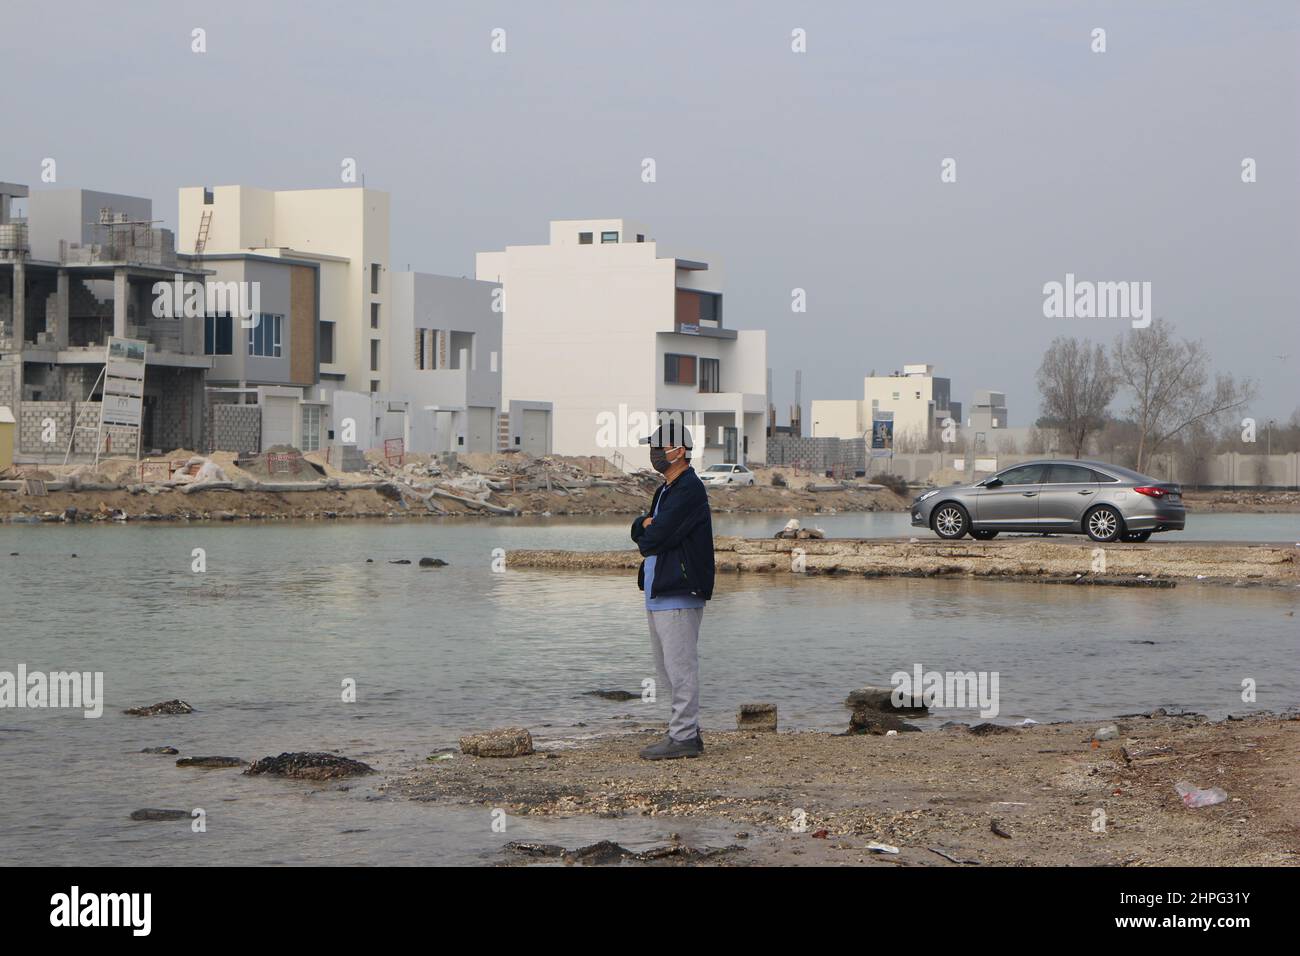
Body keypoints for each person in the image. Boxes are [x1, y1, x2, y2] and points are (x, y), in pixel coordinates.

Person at [630, 420, 715, 760]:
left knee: (680, 668)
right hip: (658, 591)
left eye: (657, 447)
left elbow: (654, 536)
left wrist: (647, 528)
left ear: (679, 451)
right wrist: (644, 525)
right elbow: (642, 527)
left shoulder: (688, 489)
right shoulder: (666, 488)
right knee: (666, 669)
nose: (653, 453)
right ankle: (686, 732)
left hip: (679, 591)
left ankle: (683, 737)